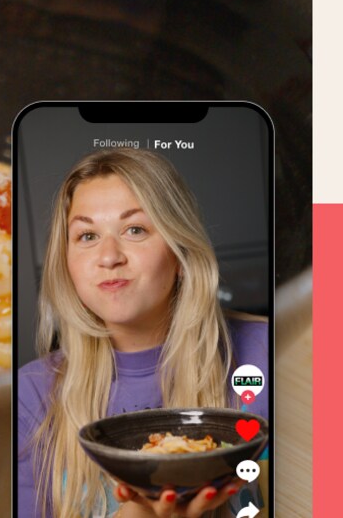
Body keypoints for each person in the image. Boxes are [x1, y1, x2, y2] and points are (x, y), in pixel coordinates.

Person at [17, 149, 269, 518]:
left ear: (180, 251)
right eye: (87, 235)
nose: (108, 256)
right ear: (66, 262)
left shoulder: (268, 352)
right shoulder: (30, 392)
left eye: (134, 229)